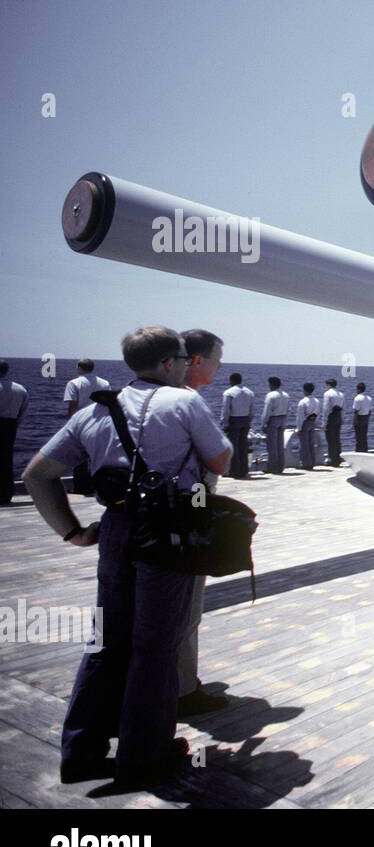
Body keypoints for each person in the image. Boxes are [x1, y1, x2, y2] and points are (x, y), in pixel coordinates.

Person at [23, 326, 231, 784]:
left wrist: (72, 532)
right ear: (168, 364)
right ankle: (144, 757)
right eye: (181, 359)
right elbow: (221, 461)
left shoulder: (98, 410)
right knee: (154, 648)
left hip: (114, 530)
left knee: (105, 643)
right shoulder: (184, 402)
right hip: (168, 535)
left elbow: (38, 475)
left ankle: (81, 753)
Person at [179, 330, 231, 717]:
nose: (219, 366)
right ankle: (181, 689)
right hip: (186, 518)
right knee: (183, 609)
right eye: (216, 359)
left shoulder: (129, 399)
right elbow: (220, 459)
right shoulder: (188, 404)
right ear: (197, 361)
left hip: (143, 519)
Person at [64, 359, 111, 495]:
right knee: (97, 456)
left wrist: (71, 425)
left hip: (81, 423)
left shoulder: (74, 383)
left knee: (80, 456)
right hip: (100, 421)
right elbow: (107, 403)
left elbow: (72, 405)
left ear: (79, 367)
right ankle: (97, 485)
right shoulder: (104, 383)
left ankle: (81, 487)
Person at [0, 360, 29, 505]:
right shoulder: (20, 389)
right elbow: (23, 410)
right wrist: (15, 423)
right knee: (6, 459)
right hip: (10, 425)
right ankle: (6, 494)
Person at [220, 372, 255, 478]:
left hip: (234, 420)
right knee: (243, 446)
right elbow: (252, 410)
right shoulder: (250, 392)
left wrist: (224, 422)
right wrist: (249, 420)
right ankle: (244, 470)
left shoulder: (228, 393)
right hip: (245, 420)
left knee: (233, 447)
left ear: (231, 381)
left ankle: (234, 471)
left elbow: (226, 410)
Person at [260, 375, 290, 473]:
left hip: (273, 420)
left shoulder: (270, 395)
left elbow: (266, 412)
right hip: (283, 419)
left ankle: (273, 467)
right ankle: (281, 466)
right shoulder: (286, 395)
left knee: (272, 445)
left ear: (271, 385)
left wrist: (263, 423)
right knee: (280, 444)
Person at [296, 383, 321, 469]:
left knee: (304, 445)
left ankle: (306, 464)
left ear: (304, 390)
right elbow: (318, 413)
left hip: (305, 423)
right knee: (311, 444)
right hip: (313, 422)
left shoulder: (302, 402)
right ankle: (312, 462)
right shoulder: (317, 401)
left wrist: (299, 428)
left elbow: (300, 417)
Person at [321, 378, 345, 466]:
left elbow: (326, 409)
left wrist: (324, 422)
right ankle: (338, 458)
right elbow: (343, 408)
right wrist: (342, 419)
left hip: (331, 417)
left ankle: (332, 459)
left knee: (330, 439)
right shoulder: (341, 394)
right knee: (337, 438)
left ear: (328, 385)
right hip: (338, 416)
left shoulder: (327, 394)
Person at [353, 382, 372, 452]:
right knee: (364, 436)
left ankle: (358, 451)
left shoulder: (357, 398)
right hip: (366, 418)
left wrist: (353, 423)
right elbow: (370, 411)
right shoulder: (369, 398)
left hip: (359, 419)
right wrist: (367, 419)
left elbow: (355, 412)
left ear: (358, 389)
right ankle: (365, 451)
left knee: (358, 437)